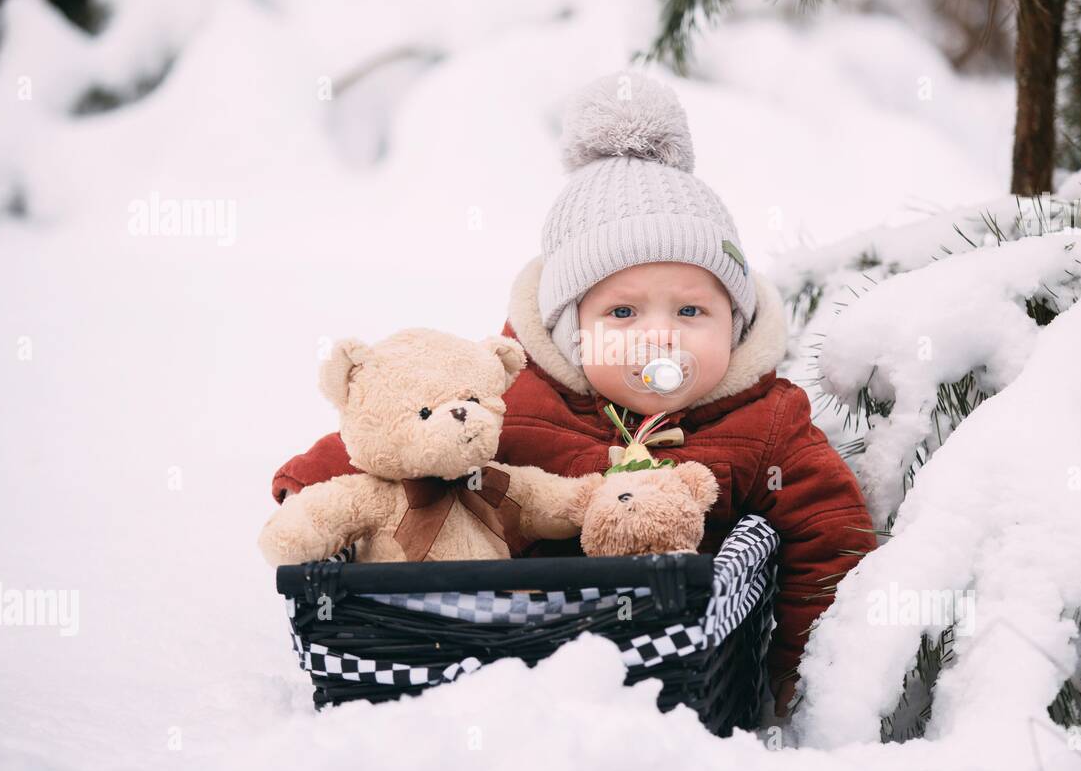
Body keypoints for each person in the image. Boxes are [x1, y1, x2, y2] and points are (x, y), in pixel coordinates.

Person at [269, 72, 877, 718]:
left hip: (672, 671)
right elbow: (404, 437)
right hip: (507, 656)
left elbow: (829, 534)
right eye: (623, 313)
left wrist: (797, 670)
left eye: (693, 310)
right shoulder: (521, 396)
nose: (660, 338)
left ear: (736, 320)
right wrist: (308, 486)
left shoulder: (765, 419)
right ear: (569, 329)